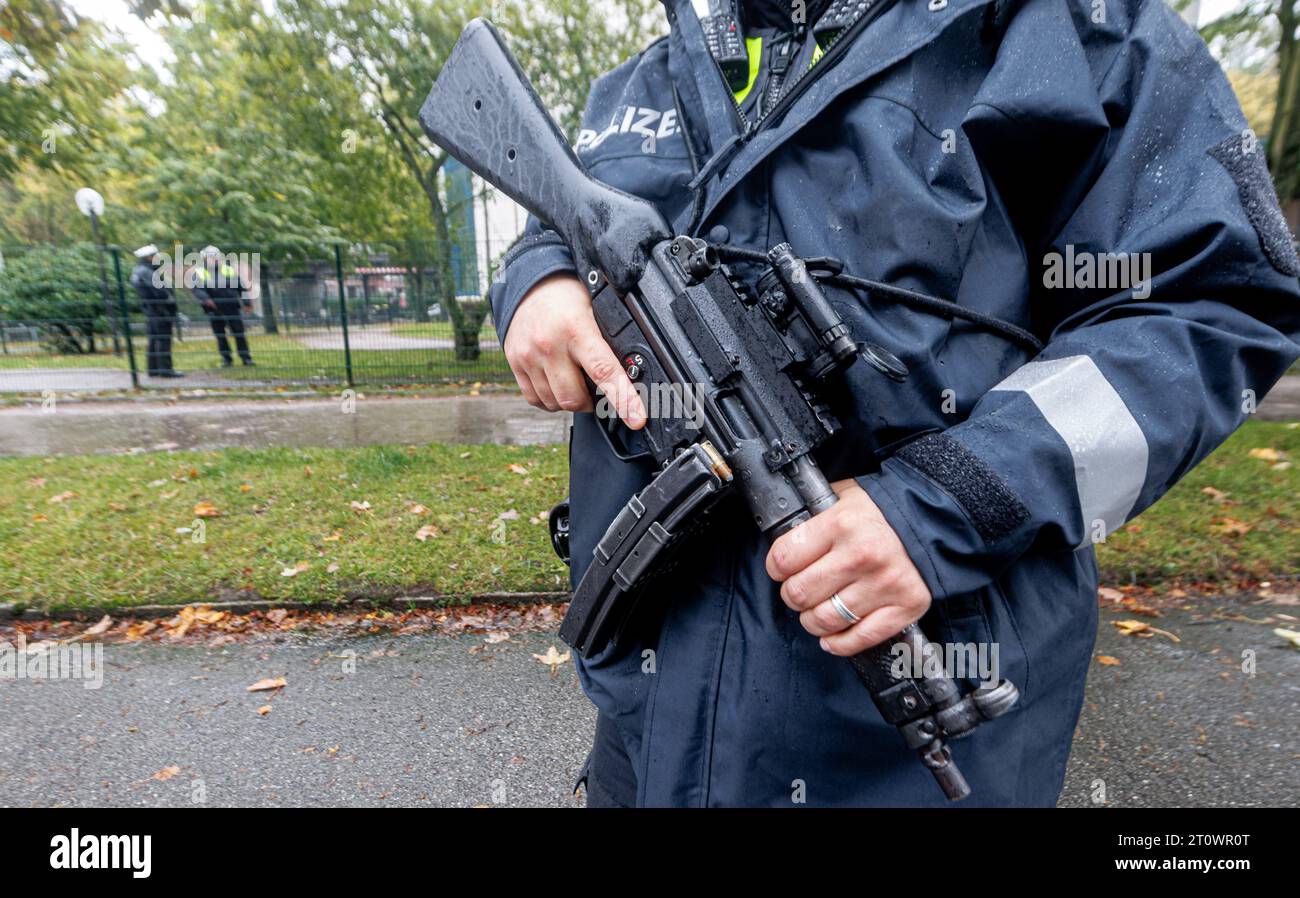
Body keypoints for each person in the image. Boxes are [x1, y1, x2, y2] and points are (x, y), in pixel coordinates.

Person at [488, 0, 1300, 807]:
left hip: (903, 733)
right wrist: (535, 277)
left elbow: (1204, 304)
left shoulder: (1073, 33)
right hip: (648, 722)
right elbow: (569, 219)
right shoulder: (659, 71)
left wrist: (945, 505)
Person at [194, 245, 254, 367]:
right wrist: (206, 299)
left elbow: (241, 287)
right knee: (220, 335)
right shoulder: (199, 272)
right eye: (211, 257)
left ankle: (246, 358)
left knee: (239, 333)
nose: (215, 259)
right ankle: (227, 359)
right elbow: (197, 289)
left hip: (232, 307)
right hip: (214, 309)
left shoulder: (228, 270)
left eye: (216, 256)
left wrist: (247, 302)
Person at [129, 244, 182, 378]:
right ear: (149, 257)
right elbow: (159, 290)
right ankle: (166, 369)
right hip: (160, 310)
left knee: (154, 340)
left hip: (151, 310)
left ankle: (153, 369)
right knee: (163, 340)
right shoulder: (148, 272)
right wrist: (168, 301)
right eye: (155, 256)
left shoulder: (139, 270)